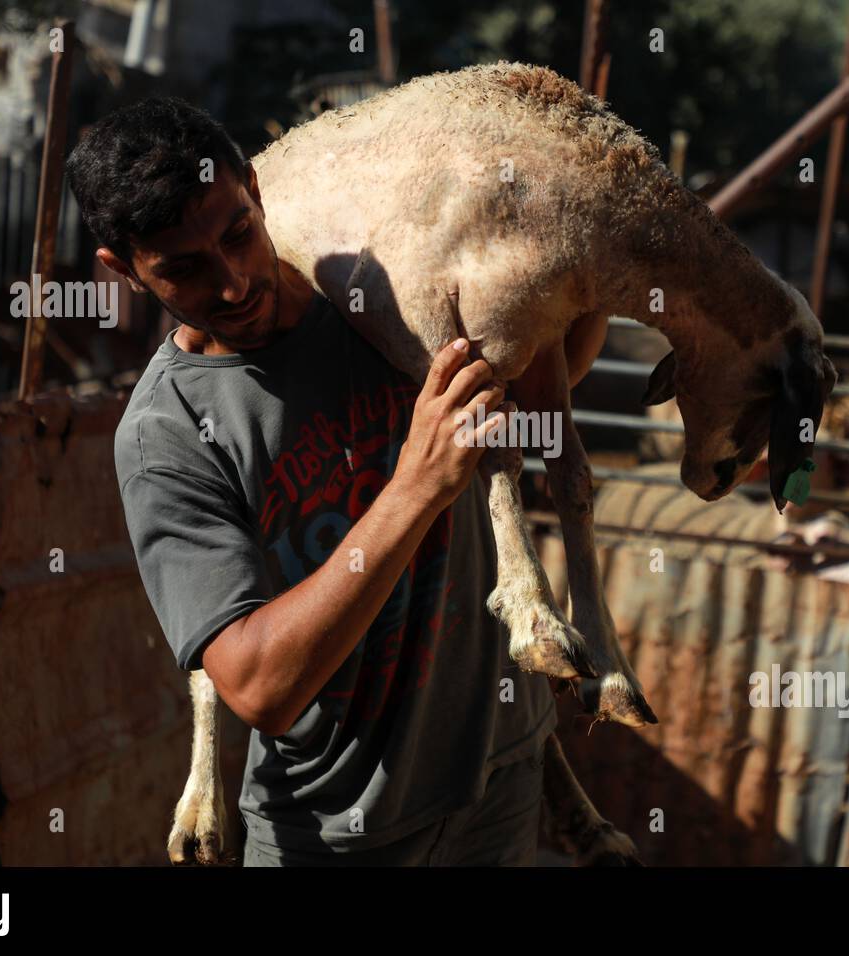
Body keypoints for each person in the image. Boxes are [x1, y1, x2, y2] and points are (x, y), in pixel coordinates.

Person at [66, 97, 558, 866]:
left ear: (257, 192)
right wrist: (417, 486)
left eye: (237, 234)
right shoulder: (166, 435)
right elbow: (259, 687)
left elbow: (531, 393)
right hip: (338, 834)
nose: (233, 284)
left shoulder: (379, 298)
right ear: (122, 269)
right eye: (183, 269)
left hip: (499, 782)